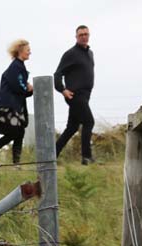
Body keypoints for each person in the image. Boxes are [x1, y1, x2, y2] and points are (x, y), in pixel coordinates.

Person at [0, 39, 34, 166]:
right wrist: (29, 88)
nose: (30, 52)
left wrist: (28, 89)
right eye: (28, 50)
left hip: (14, 106)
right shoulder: (16, 67)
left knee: (17, 133)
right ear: (20, 51)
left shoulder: (19, 67)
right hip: (10, 107)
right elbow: (18, 87)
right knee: (16, 132)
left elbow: (20, 87)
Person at [54, 25, 95, 164]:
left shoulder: (90, 54)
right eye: (81, 35)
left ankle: (52, 154)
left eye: (86, 34)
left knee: (72, 128)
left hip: (85, 95)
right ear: (76, 37)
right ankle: (86, 157)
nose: (84, 36)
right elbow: (58, 74)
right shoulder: (70, 54)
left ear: (89, 35)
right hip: (74, 96)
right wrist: (62, 89)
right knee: (89, 121)